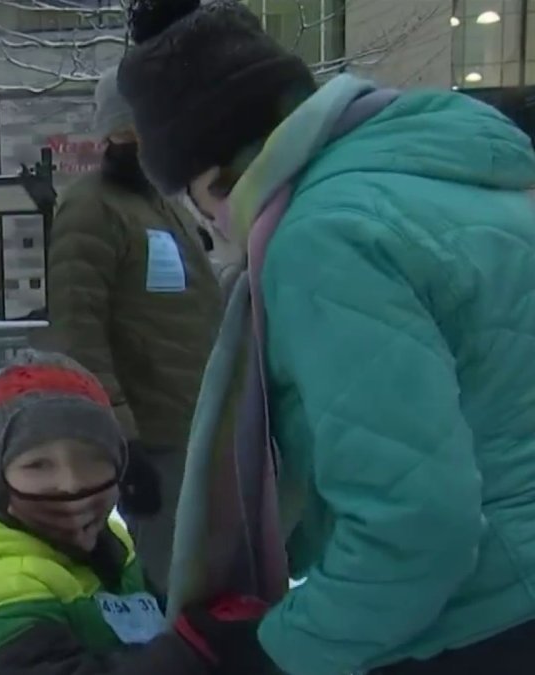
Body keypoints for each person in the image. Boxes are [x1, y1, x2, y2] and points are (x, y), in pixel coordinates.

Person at [119, 1, 535, 674]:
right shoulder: (455, 177)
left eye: (195, 205)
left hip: (484, 619)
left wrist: (281, 647)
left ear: (211, 177)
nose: (210, 228)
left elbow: (416, 525)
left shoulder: (322, 236)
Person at [0, 350, 271, 675]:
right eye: (38, 465)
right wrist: (193, 650)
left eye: (92, 459)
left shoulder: (109, 543)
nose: (70, 485)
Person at [45, 65, 223, 597]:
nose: (134, 140)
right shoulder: (91, 206)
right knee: (175, 584)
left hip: (199, 424)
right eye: (123, 130)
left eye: (144, 127)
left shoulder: (165, 204)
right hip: (154, 435)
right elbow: (79, 332)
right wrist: (123, 438)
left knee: (212, 578)